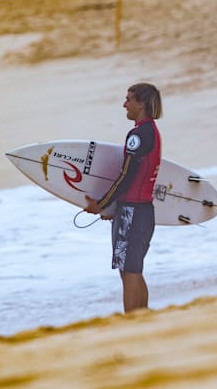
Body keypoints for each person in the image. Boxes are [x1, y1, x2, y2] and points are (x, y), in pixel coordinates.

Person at [82, 82, 163, 313]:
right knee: (132, 269)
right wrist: (112, 208)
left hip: (132, 212)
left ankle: (133, 319)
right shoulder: (151, 131)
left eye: (129, 99)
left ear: (141, 103)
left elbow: (126, 176)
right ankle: (142, 316)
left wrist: (102, 204)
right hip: (140, 210)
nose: (124, 104)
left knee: (129, 272)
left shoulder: (138, 135)